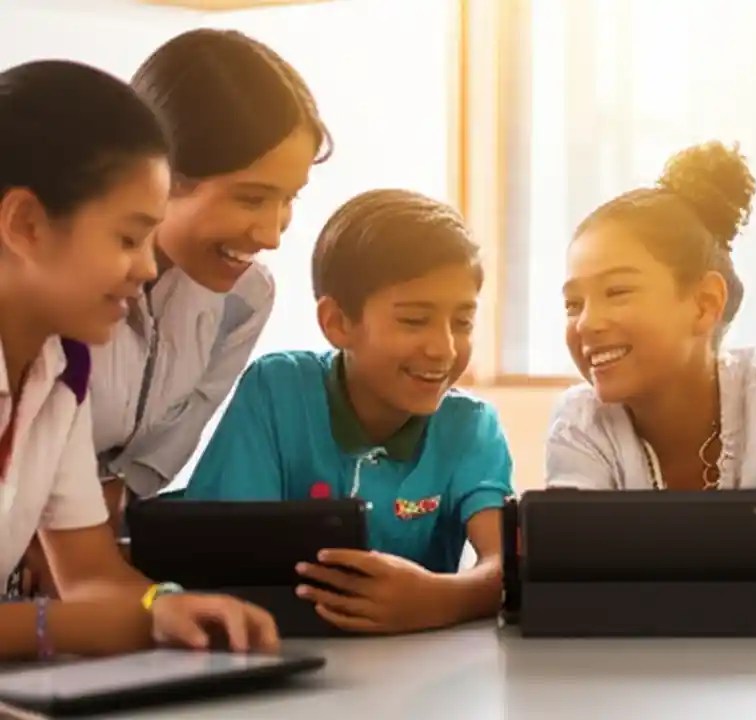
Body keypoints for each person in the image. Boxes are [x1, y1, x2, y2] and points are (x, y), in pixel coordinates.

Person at [0, 59, 277, 659]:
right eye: (128, 239)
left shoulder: (61, 372)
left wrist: (166, 606)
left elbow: (89, 574)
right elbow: (78, 614)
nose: (148, 268)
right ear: (26, 225)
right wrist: (57, 628)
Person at [182, 189, 512, 634]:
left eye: (462, 322)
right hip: (277, 651)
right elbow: (218, 554)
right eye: (414, 320)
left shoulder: (470, 427)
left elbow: (508, 565)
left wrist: (440, 600)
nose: (444, 348)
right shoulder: (277, 391)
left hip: (417, 666)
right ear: (337, 323)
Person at [546, 141, 756, 596]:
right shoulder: (580, 420)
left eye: (617, 292)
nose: (586, 323)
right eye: (573, 303)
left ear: (704, 304)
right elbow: (575, 568)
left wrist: (644, 569)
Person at [93, 28, 331, 517]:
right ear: (164, 173)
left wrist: (101, 515)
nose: (272, 235)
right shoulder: (59, 286)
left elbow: (154, 461)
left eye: (289, 198)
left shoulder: (245, 297)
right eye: (252, 198)